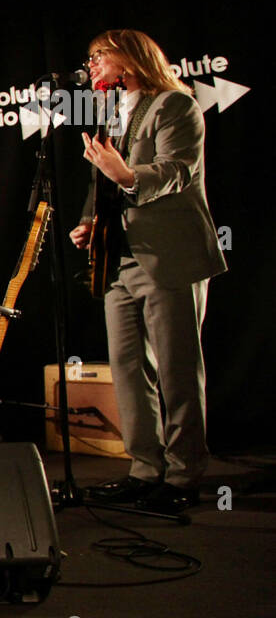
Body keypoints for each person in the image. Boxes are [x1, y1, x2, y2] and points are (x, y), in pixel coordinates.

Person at [71, 29, 226, 514]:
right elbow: (104, 181)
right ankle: (144, 469)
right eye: (90, 57)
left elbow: (178, 169)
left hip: (168, 256)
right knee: (128, 369)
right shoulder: (113, 113)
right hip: (118, 261)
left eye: (100, 56)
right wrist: (87, 222)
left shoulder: (174, 105)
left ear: (131, 58)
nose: (92, 64)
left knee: (177, 368)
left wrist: (129, 175)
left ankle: (183, 474)